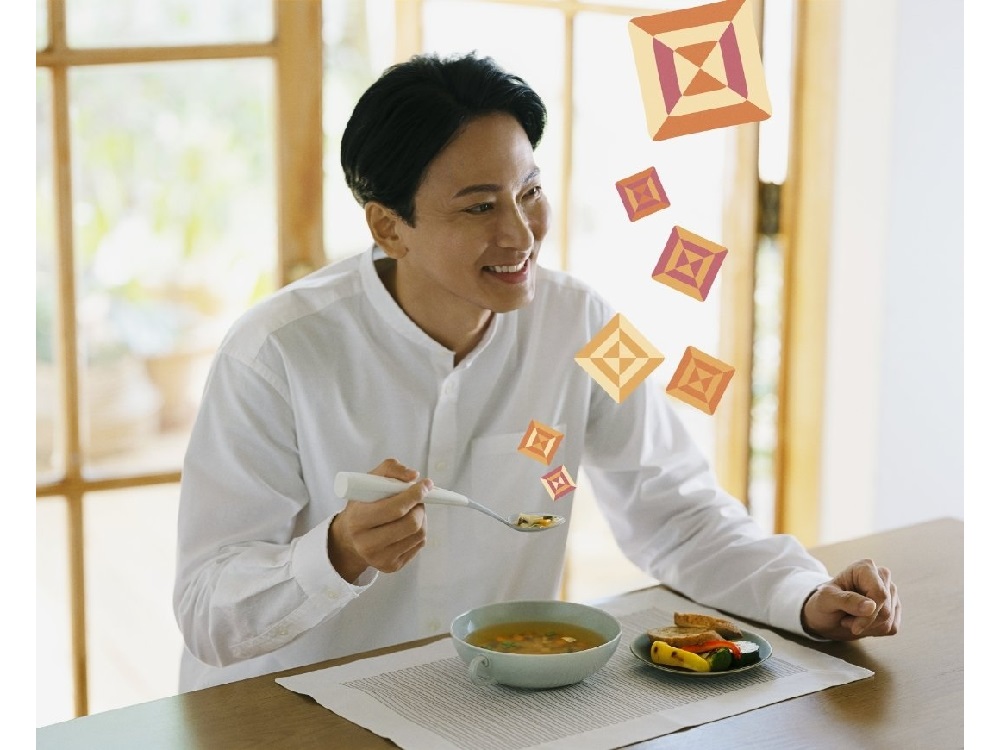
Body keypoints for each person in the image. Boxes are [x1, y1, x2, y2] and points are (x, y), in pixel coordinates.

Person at [172, 51, 900, 692]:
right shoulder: (274, 351)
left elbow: (676, 511)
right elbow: (208, 612)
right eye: (480, 206)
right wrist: (335, 553)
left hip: (483, 706)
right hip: (284, 716)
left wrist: (803, 594)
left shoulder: (586, 323)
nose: (520, 235)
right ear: (388, 226)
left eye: (529, 192)